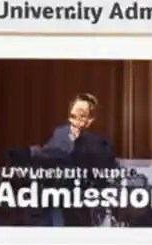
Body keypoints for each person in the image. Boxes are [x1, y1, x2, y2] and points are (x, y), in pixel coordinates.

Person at [29, 92, 116, 226]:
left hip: (85, 197)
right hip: (57, 193)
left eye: (82, 116)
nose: (76, 120)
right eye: (73, 115)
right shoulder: (61, 133)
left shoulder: (99, 142)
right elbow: (46, 155)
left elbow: (104, 173)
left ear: (91, 118)